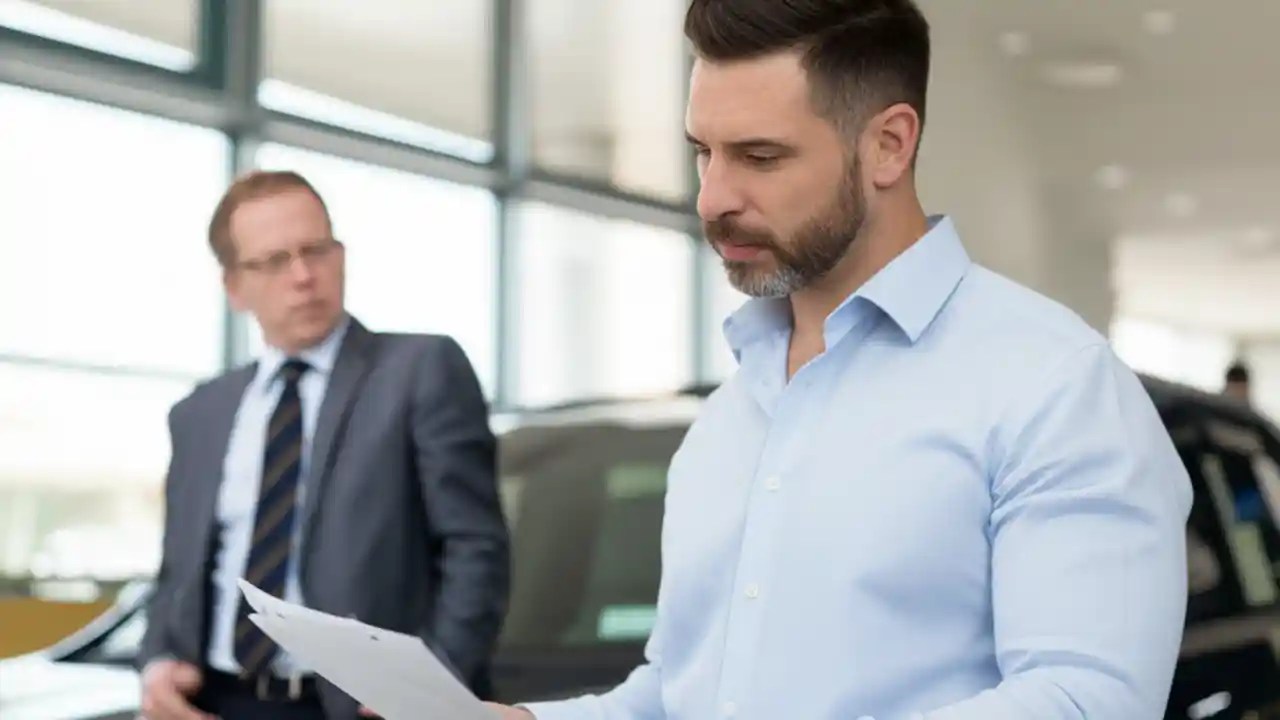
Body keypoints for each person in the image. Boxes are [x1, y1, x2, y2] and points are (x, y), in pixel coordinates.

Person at [488, 0, 1192, 718]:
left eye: (760, 157)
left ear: (889, 144)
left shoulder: (1054, 386)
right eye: (704, 151)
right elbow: (679, 693)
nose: (714, 197)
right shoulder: (728, 420)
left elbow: (1084, 702)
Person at [138, 171, 510, 720]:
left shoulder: (420, 370)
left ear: (341, 255)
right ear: (235, 286)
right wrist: (158, 661)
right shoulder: (200, 412)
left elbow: (475, 547)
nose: (304, 276)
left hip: (353, 707)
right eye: (274, 260)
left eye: (316, 250)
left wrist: (430, 691)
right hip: (214, 700)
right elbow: (178, 570)